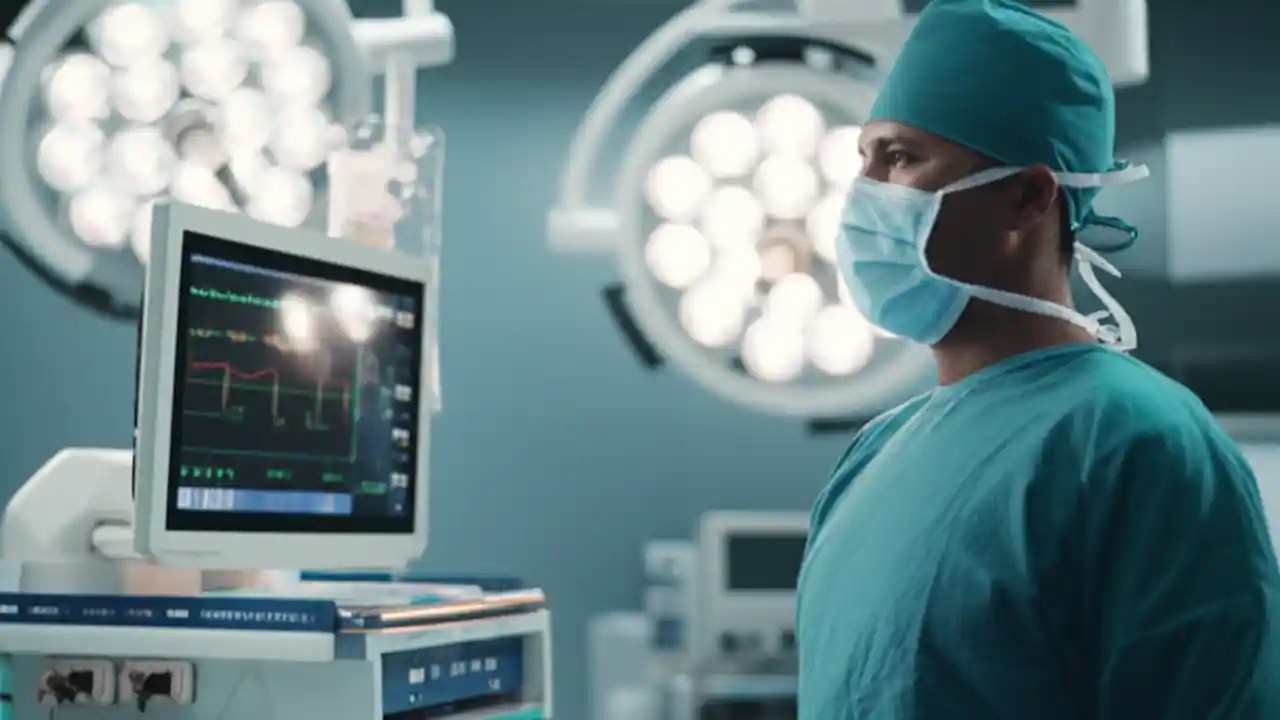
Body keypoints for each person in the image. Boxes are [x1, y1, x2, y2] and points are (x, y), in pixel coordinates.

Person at [795, 1, 1280, 718]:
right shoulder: (875, 454)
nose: (864, 194)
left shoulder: (1138, 440)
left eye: (900, 158)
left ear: (1027, 197)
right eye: (862, 160)